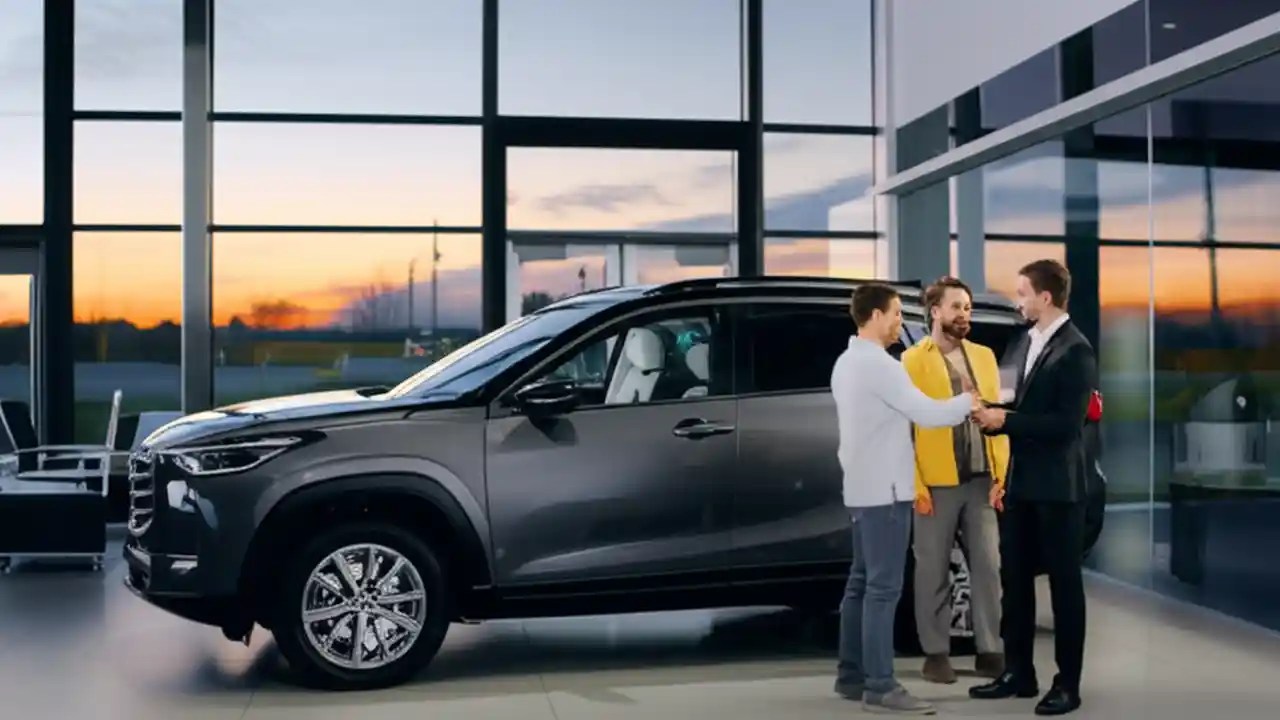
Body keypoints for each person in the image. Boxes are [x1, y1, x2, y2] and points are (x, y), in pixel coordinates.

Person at [831, 283, 978, 715]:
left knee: (860, 584)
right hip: (887, 493)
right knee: (883, 589)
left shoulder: (845, 363)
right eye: (896, 314)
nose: (900, 322)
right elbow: (926, 413)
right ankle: (880, 686)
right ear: (875, 316)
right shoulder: (881, 366)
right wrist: (966, 402)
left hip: (862, 489)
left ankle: (851, 675)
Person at [969, 259, 1097, 716]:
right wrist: (992, 416)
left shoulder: (1076, 351)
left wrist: (1008, 421)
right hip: (1023, 483)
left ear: (1045, 297)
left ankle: (1068, 685)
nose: (1017, 300)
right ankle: (1018, 673)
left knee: (1065, 589)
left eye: (1023, 292)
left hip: (1060, 489)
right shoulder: (1027, 341)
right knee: (1015, 581)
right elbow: (1023, 407)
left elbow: (1065, 426)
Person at [901, 276, 1009, 685]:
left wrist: (1001, 474)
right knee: (932, 570)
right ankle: (936, 652)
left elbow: (996, 414)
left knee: (989, 566)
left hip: (982, 479)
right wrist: (916, 484)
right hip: (935, 482)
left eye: (967, 307)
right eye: (956, 307)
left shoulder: (984, 357)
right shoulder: (913, 361)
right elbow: (905, 428)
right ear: (935, 312)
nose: (964, 314)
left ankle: (990, 649)